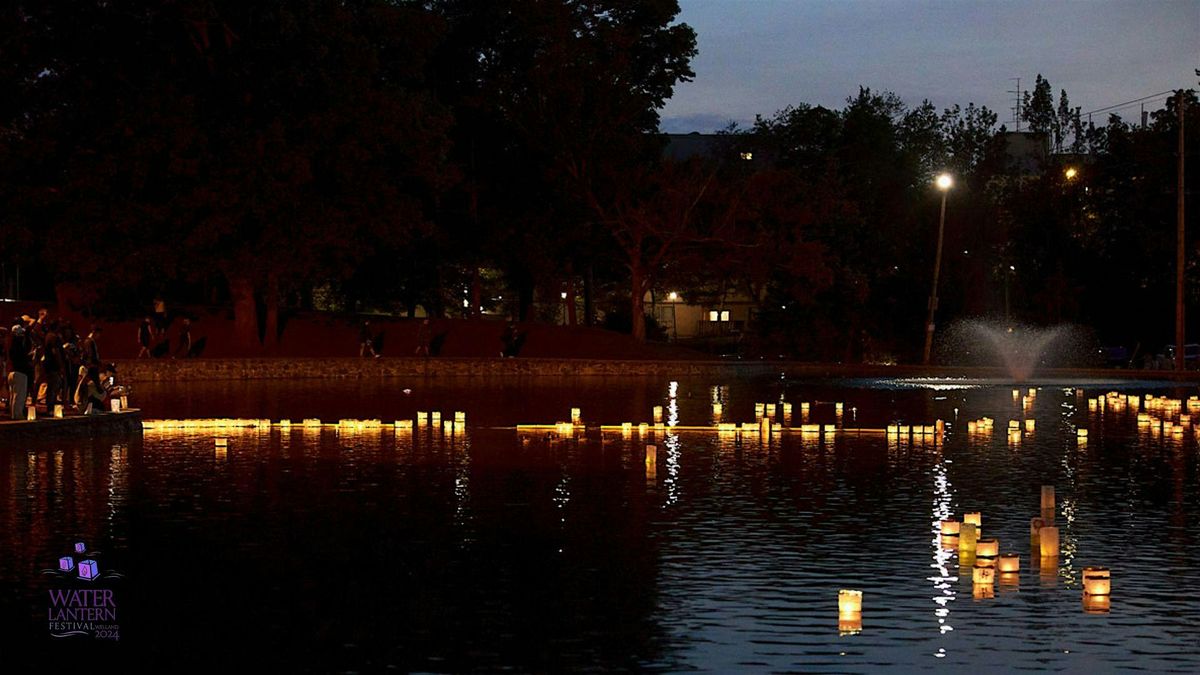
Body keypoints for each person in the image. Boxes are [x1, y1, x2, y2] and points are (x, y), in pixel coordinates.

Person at [8, 322, 32, 419]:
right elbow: (23, 357)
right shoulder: (18, 346)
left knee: (13, 396)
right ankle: (17, 415)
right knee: (19, 396)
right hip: (20, 373)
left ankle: (13, 414)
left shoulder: (11, 345)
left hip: (12, 372)